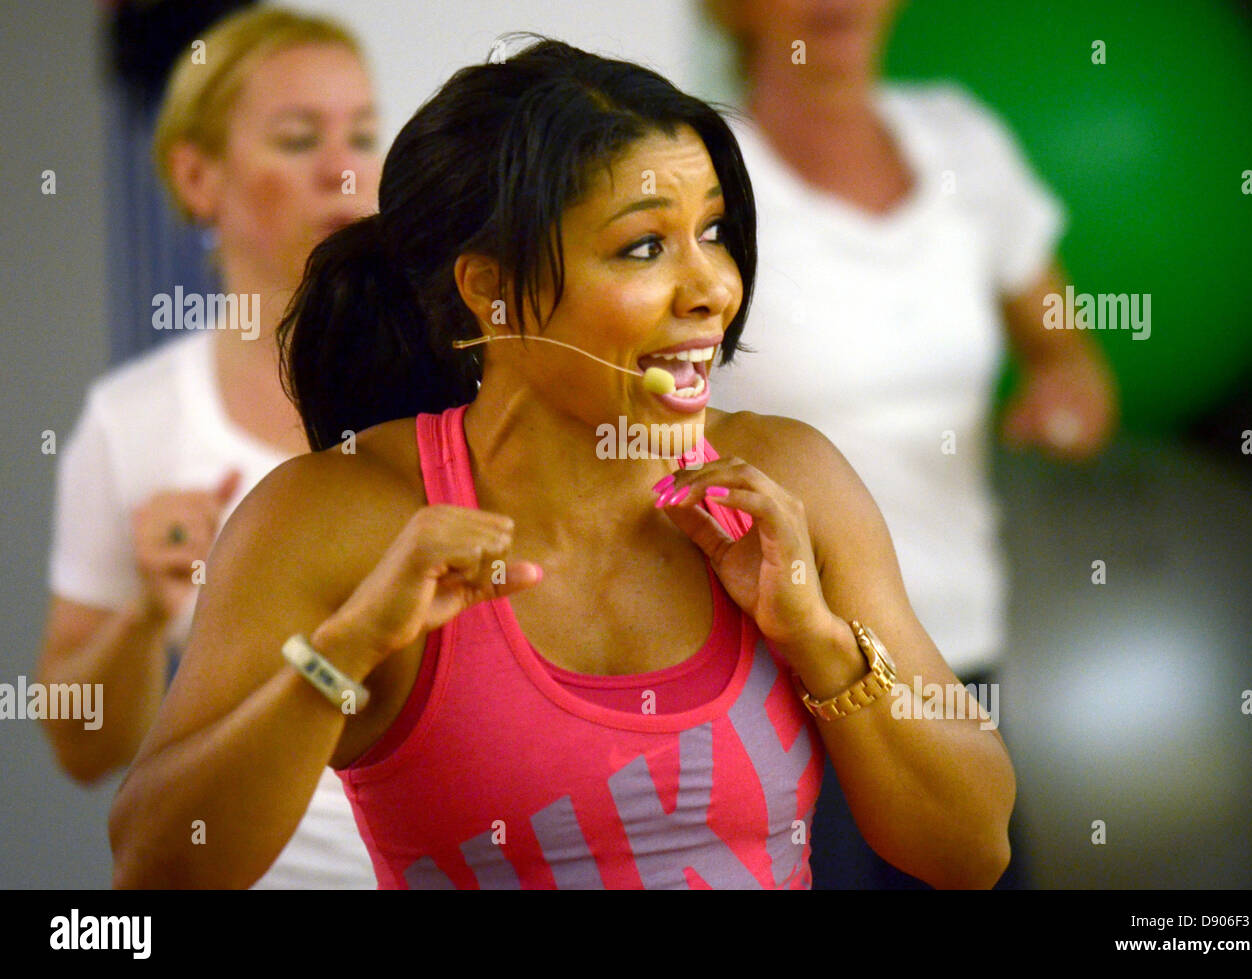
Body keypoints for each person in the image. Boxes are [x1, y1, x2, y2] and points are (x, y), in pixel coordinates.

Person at [107, 35, 1015, 890]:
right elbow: (155, 862)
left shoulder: (790, 480)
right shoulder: (336, 512)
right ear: (490, 290)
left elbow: (971, 848)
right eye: (645, 247)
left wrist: (818, 639)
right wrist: (345, 653)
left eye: (714, 232)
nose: (712, 290)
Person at [698, 1, 1118, 887]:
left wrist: (1065, 396)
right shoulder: (695, 168)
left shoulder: (963, 139)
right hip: (767, 685)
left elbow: (1068, 351)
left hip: (952, 662)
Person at [38, 7, 382, 888]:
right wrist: (143, 620)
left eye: (364, 134)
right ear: (199, 176)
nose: (343, 169)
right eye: (299, 138)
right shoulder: (133, 420)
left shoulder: (461, 388)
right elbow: (81, 747)